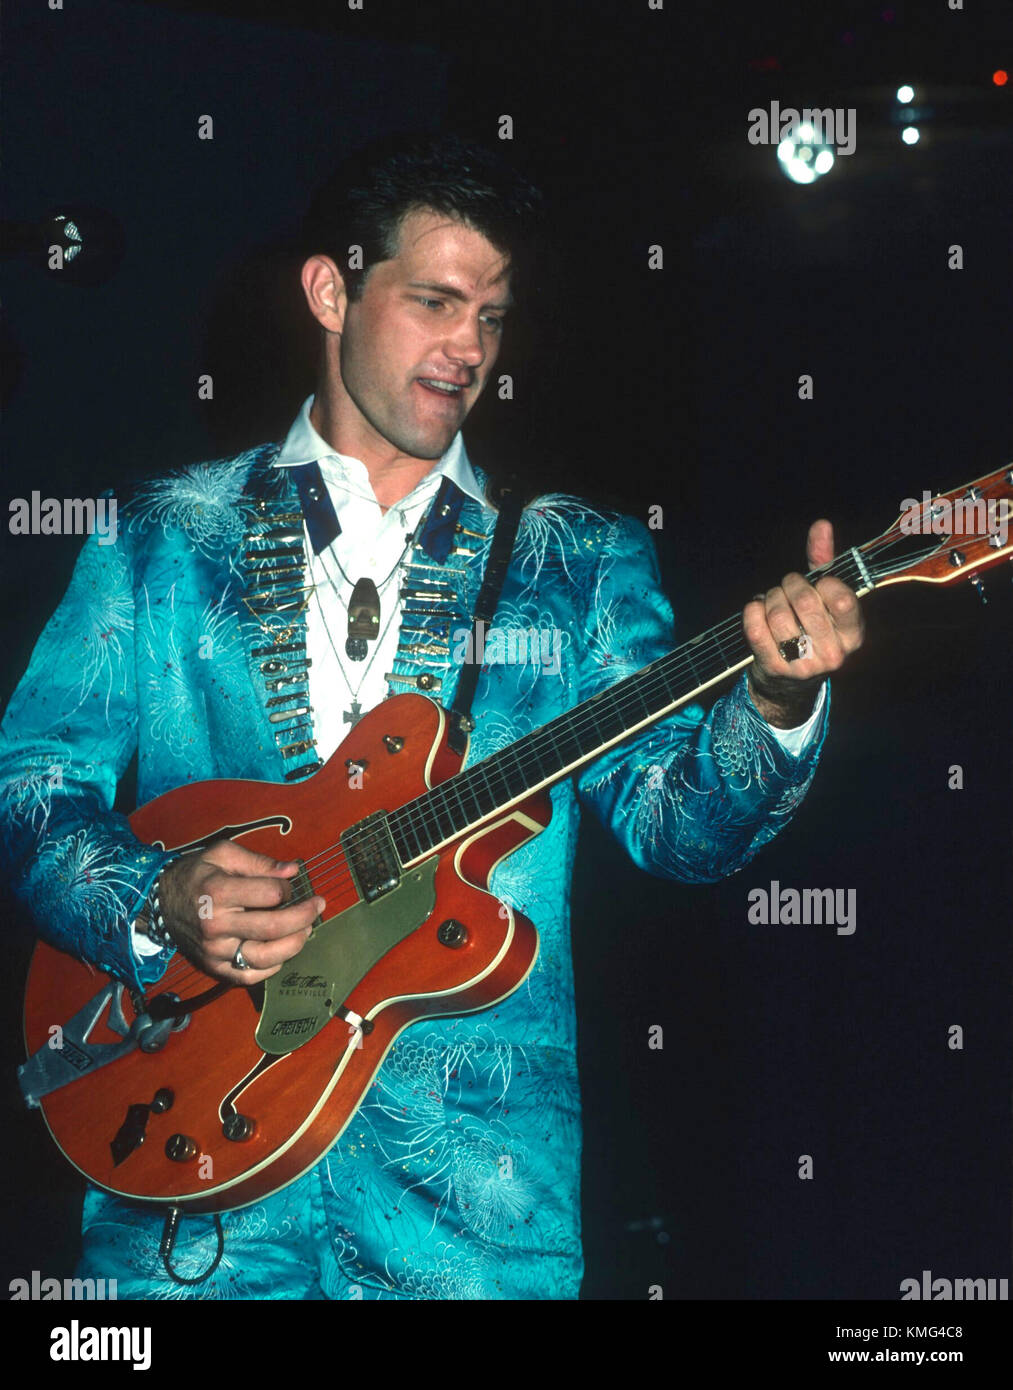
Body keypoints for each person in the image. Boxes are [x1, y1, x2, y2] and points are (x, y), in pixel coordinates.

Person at [0, 133, 864, 1300]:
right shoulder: (160, 536)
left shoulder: (572, 560)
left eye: (493, 317)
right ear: (329, 291)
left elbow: (678, 827)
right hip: (181, 1197)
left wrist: (774, 700)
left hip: (472, 1225)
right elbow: (30, 789)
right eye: (434, 302)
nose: (469, 349)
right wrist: (160, 894)